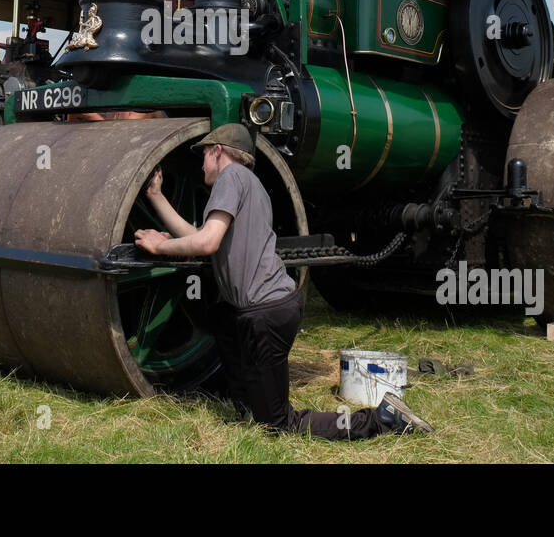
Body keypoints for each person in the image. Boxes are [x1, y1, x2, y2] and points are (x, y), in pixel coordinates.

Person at [135, 123, 433, 439]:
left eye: (204, 155)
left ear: (218, 151)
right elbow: (200, 236)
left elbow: (206, 243)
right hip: (263, 310)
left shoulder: (230, 177)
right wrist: (156, 197)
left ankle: (382, 421)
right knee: (222, 319)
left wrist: (159, 245)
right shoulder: (248, 183)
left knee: (278, 424)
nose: (201, 164)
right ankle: (247, 407)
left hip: (267, 313)